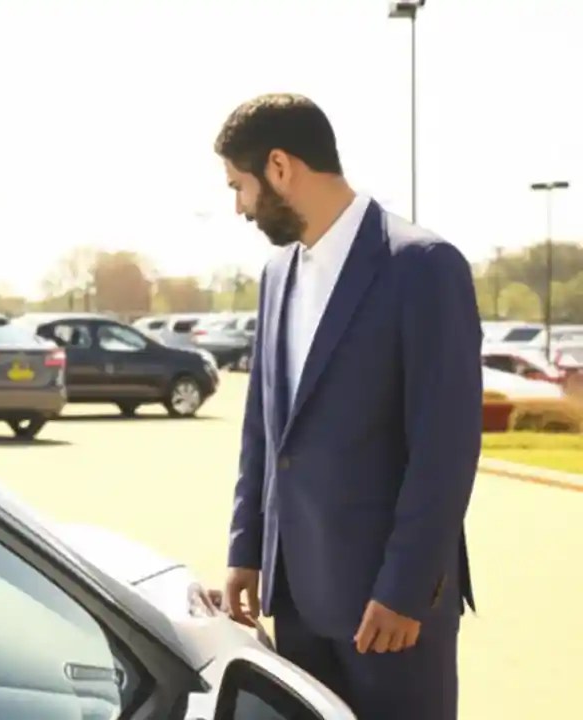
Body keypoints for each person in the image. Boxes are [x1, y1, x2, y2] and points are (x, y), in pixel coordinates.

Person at [215, 93, 482, 719]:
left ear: (280, 167)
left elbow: (445, 448)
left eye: (240, 186)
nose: (239, 207)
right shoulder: (276, 274)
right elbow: (264, 428)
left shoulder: (422, 266)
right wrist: (245, 550)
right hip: (298, 603)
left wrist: (406, 590)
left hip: (388, 614)